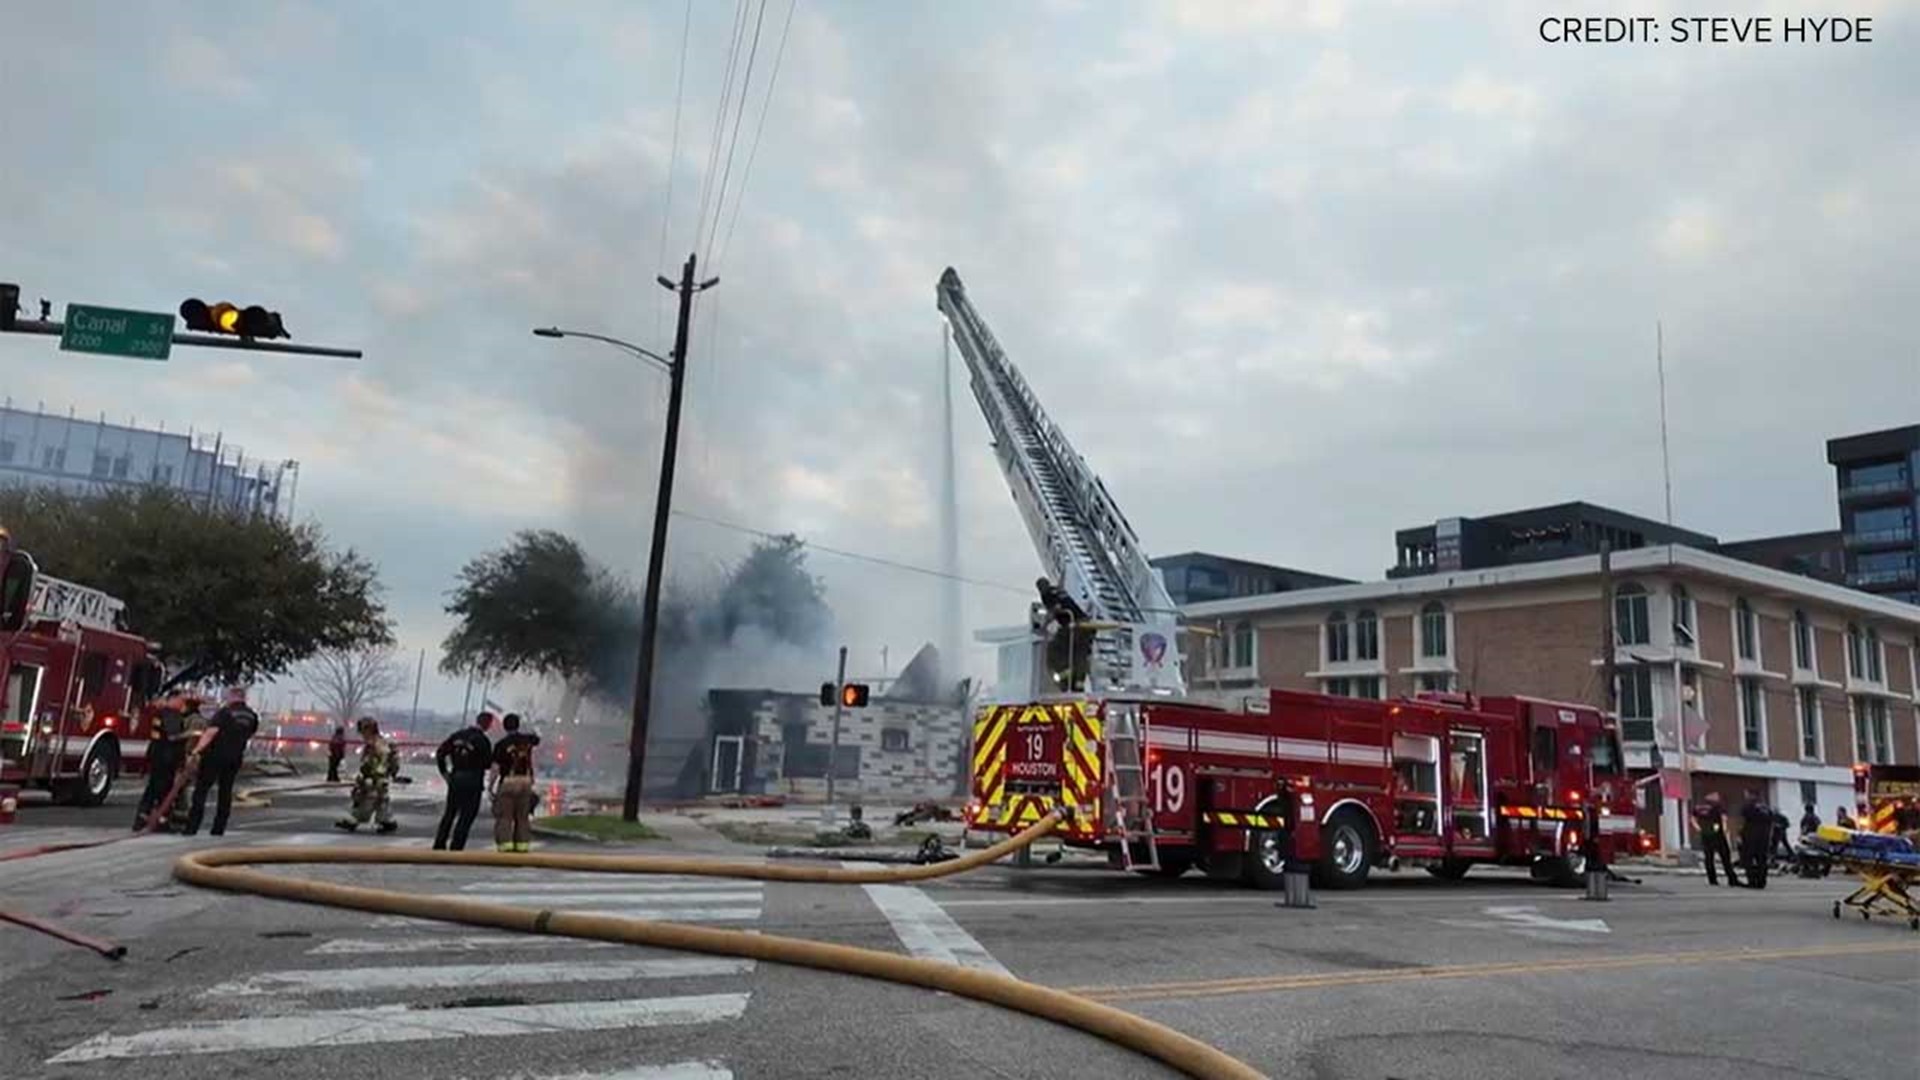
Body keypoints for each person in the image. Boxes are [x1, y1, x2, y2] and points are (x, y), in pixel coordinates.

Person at [182, 687, 260, 837]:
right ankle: (218, 829)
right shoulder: (251, 716)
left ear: (232, 697)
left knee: (201, 791)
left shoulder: (225, 712)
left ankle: (192, 827)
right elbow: (250, 734)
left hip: (214, 756)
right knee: (225, 792)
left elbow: (211, 733)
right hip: (235, 758)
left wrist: (196, 751)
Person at [434, 711, 495, 851]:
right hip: (473, 780)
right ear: (488, 725)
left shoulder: (457, 736)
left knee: (449, 813)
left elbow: (440, 753)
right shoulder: (483, 741)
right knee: (467, 816)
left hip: (456, 778)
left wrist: (445, 773)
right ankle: (457, 846)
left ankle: (439, 843)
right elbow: (487, 763)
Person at [133, 696, 189, 831]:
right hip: (167, 758)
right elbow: (173, 736)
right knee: (164, 790)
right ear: (173, 700)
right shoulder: (172, 715)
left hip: (156, 755)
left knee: (152, 789)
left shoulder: (161, 713)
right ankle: (162, 821)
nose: (183, 704)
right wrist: (190, 734)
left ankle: (142, 818)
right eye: (181, 701)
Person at [335, 716, 399, 833]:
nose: (362, 734)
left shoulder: (374, 745)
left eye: (363, 731)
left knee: (366, 800)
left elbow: (370, 763)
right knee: (381, 801)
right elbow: (393, 761)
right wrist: (392, 773)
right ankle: (386, 821)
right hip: (381, 778)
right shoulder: (384, 743)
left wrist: (364, 776)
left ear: (368, 730)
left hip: (373, 778)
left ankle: (354, 820)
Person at [490, 713, 541, 853]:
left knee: (505, 817)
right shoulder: (527, 741)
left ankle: (505, 847)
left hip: (508, 782)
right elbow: (537, 738)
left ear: (504, 727)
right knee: (522, 817)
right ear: (518, 725)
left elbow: (495, 768)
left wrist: (490, 787)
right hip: (525, 782)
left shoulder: (500, 745)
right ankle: (522, 847)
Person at [1692, 791, 1740, 886]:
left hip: (1706, 834)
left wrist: (1699, 828)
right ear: (1711, 796)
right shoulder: (1717, 807)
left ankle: (1712, 879)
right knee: (1725, 857)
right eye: (1715, 795)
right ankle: (1731, 878)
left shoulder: (1699, 808)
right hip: (1717, 834)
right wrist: (1723, 830)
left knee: (1709, 857)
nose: (1717, 796)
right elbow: (1723, 819)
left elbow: (1693, 818)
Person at [1737, 788, 1771, 889]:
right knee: (1762, 859)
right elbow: (1770, 822)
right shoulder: (1766, 808)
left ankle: (1752, 881)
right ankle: (1761, 882)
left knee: (1748, 859)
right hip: (1764, 837)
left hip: (1750, 836)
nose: (1745, 796)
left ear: (1751, 795)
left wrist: (1739, 835)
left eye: (1746, 794)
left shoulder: (1748, 806)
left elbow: (1742, 821)